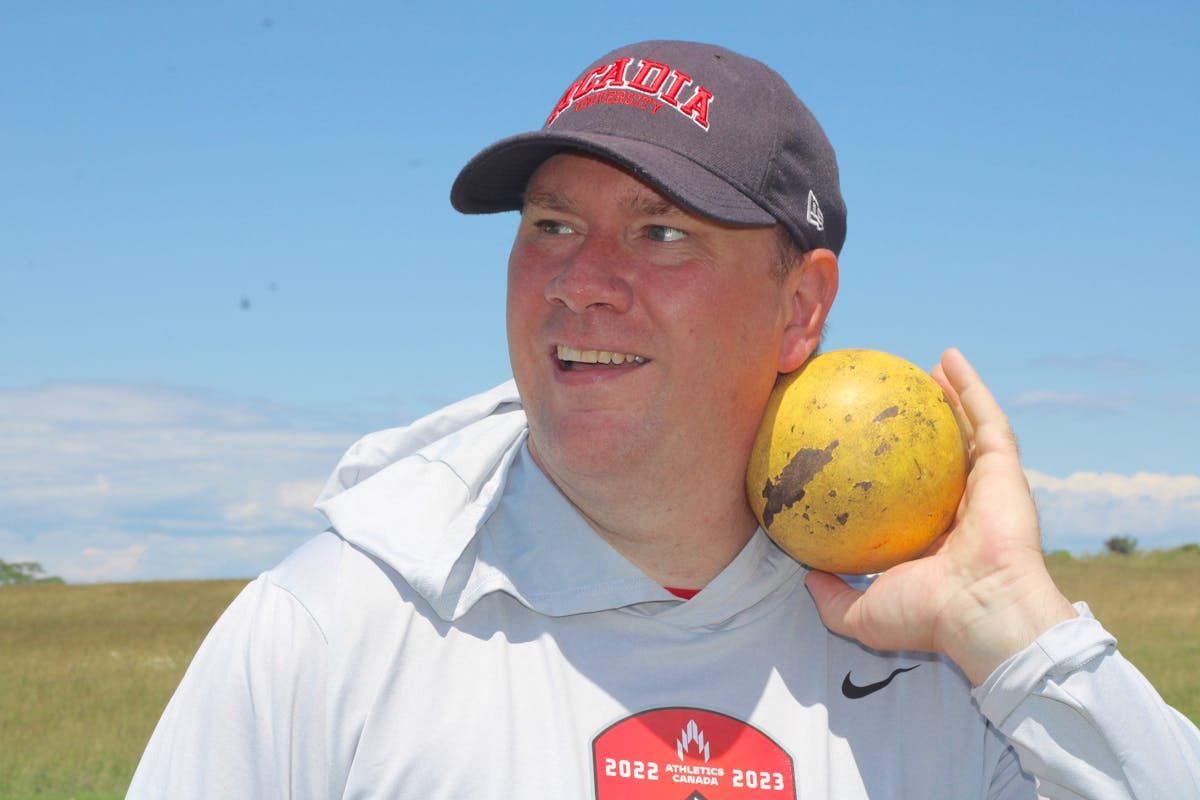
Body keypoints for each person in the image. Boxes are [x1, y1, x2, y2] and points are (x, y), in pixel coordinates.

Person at [128, 40, 1200, 798]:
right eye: (551, 224)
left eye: (661, 234)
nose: (581, 280)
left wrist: (1018, 627)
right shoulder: (333, 629)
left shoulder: (941, 668)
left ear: (800, 308)